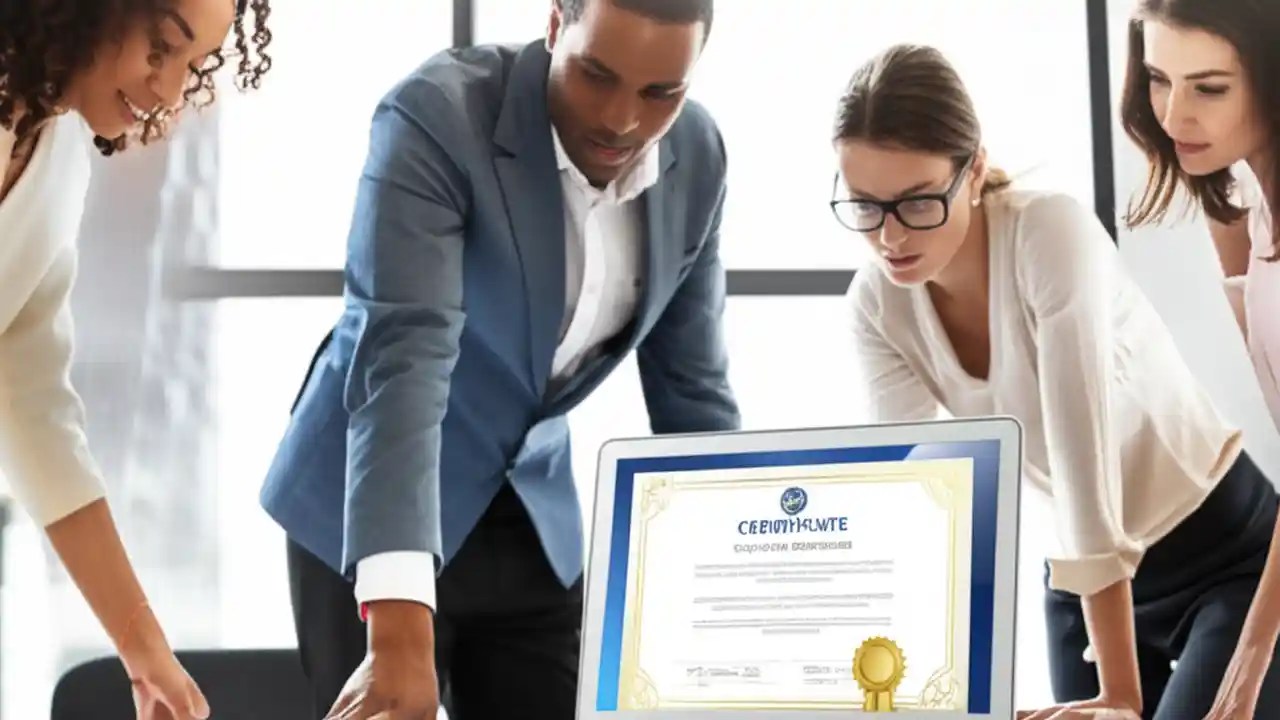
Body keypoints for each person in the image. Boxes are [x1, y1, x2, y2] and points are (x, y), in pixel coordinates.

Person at [258, 0, 737, 717]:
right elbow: (404, 360)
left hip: (529, 514)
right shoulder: (437, 117)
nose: (621, 120)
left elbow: (693, 392)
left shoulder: (697, 155)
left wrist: (741, 578)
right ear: (554, 27)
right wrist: (394, 628)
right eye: (596, 75)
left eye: (660, 93)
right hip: (373, 499)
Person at [836, 42, 1280, 720]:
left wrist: (1122, 697)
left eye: (917, 201)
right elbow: (913, 504)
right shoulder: (876, 302)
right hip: (1081, 581)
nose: (890, 235)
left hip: (1220, 555)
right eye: (864, 206)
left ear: (974, 170)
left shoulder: (1049, 232)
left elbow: (1083, 455)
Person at [0, 1, 271, 718]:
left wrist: (143, 645)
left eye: (193, 64)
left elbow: (33, 406)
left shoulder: (56, 158)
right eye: (160, 48)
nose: (171, 91)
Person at [1120, 2, 1280, 717]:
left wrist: (1248, 666)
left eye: (1208, 87)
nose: (1173, 114)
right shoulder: (1243, 207)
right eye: (1159, 77)